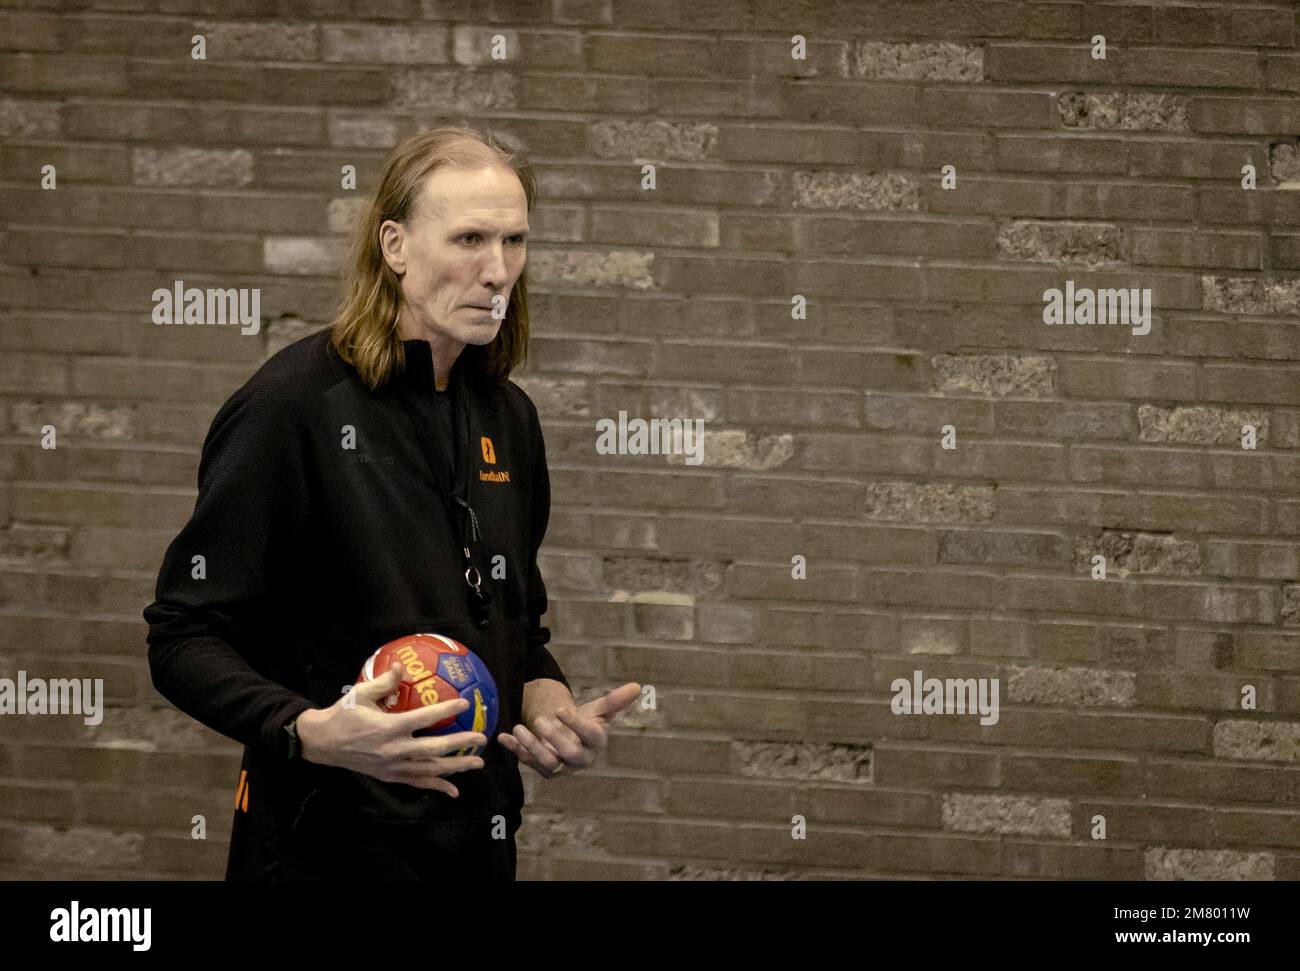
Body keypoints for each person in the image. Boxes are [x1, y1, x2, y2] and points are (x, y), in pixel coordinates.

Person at [143, 127, 640, 881]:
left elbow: (516, 623)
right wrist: (309, 729)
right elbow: (182, 635)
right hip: (321, 850)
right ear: (395, 245)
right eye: (469, 238)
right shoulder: (292, 406)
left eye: (514, 241)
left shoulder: (509, 419)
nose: (498, 270)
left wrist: (545, 698)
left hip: (476, 846)